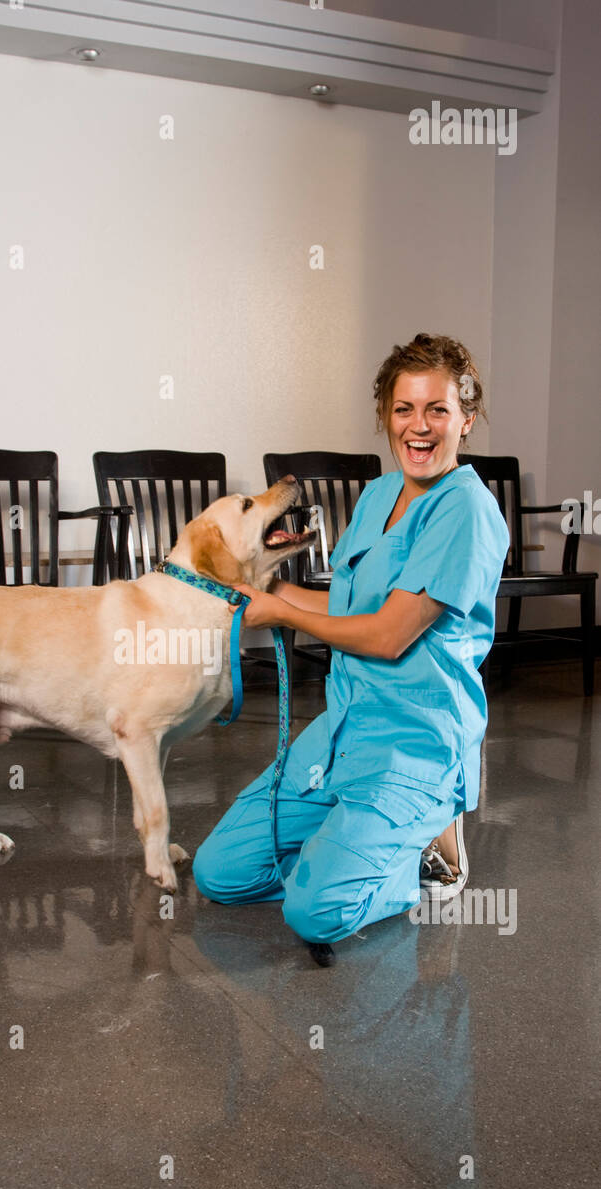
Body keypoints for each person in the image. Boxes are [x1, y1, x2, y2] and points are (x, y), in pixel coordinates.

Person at [192, 333, 510, 961]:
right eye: (403, 409)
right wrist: (265, 588)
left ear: (465, 420)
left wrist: (279, 610)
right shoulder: (374, 498)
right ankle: (352, 851)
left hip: (415, 743)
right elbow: (346, 609)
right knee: (219, 872)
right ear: (385, 417)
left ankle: (427, 848)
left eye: (437, 410)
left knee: (317, 914)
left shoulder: (466, 511)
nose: (418, 427)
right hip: (344, 731)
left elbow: (390, 635)